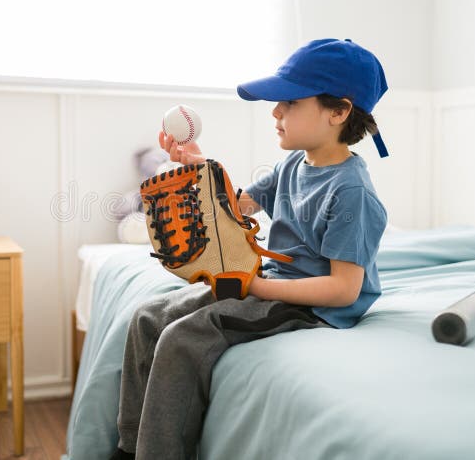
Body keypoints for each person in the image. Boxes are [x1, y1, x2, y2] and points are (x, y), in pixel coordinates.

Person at [110, 38, 389, 460]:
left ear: (339, 111)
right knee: (148, 317)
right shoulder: (294, 164)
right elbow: (237, 204)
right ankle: (131, 448)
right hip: (273, 283)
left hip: (311, 306)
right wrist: (199, 166)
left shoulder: (351, 191)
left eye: (290, 102)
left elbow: (343, 291)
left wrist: (256, 288)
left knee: (182, 338)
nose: (275, 112)